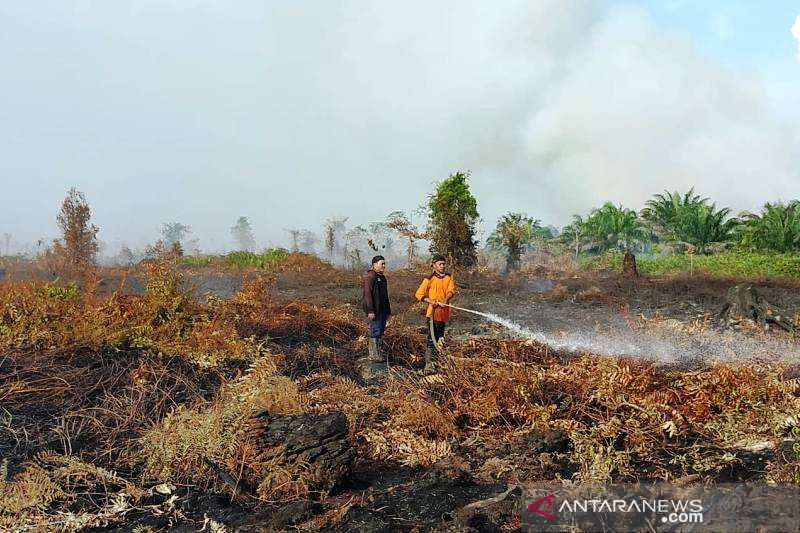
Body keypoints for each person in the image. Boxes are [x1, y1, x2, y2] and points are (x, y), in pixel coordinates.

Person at [415, 254, 456, 374]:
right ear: (434, 265)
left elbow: (451, 290)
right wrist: (431, 301)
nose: (442, 266)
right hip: (433, 314)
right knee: (432, 339)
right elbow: (418, 294)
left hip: (443, 314)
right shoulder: (429, 278)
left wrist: (445, 300)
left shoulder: (448, 277)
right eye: (440, 264)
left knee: (440, 339)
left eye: (443, 264)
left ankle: (436, 363)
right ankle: (429, 366)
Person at [362, 255, 390, 363]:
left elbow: (385, 295)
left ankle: (377, 353)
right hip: (374, 310)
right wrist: (370, 310)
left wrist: (388, 310)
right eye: (382, 263)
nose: (384, 266)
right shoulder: (370, 277)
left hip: (382, 310)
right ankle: (373, 355)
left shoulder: (382, 278)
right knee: (375, 331)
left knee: (380, 331)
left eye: (384, 263)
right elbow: (367, 295)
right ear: (374, 265)